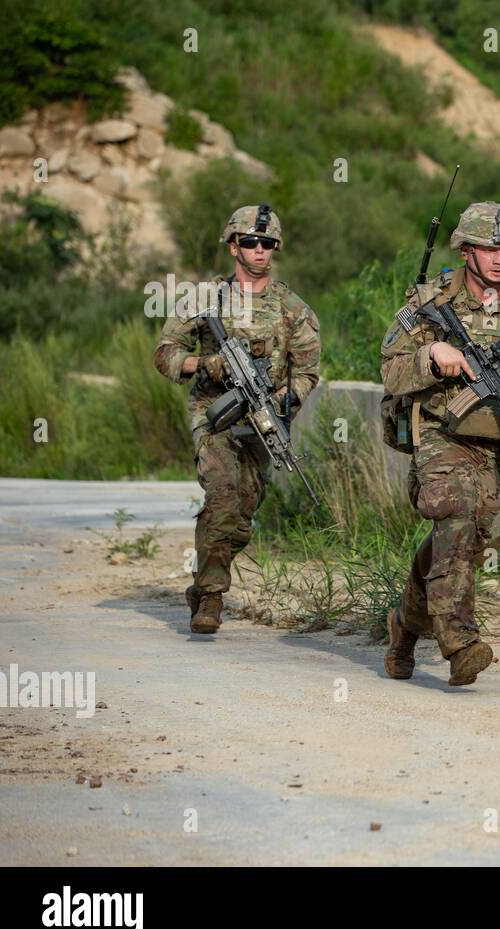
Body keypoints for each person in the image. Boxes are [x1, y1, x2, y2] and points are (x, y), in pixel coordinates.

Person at [379, 202, 500, 686]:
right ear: (465, 249)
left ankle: (403, 628)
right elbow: (390, 370)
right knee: (457, 512)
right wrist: (431, 355)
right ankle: (460, 643)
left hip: (499, 450)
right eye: (490, 248)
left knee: (462, 541)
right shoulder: (429, 305)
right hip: (441, 438)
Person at [154, 204, 321, 633]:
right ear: (233, 246)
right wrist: (206, 364)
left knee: (242, 516)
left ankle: (204, 577)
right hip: (215, 414)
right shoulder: (206, 298)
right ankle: (211, 597)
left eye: (267, 243)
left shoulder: (292, 308)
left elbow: (308, 370)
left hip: (263, 421)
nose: (260, 250)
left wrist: (283, 400)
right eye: (251, 242)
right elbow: (165, 353)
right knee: (222, 495)